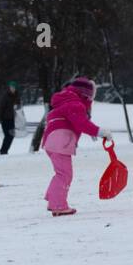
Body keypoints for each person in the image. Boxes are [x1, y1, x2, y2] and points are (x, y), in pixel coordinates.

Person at [41, 76, 111, 217]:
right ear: (85, 95)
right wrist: (100, 132)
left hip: (51, 142)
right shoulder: (76, 104)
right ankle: (58, 205)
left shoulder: (65, 102)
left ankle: (54, 197)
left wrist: (91, 131)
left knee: (61, 173)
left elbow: (76, 122)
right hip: (61, 143)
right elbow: (81, 124)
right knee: (64, 174)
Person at [0, 81, 20, 154]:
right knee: (7, 135)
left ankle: (4, 150)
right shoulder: (5, 96)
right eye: (11, 87)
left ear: (16, 88)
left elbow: (19, 107)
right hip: (5, 119)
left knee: (11, 136)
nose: (12, 89)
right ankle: (3, 151)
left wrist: (18, 108)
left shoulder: (17, 96)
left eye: (14, 87)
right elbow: (0, 108)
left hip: (13, 119)